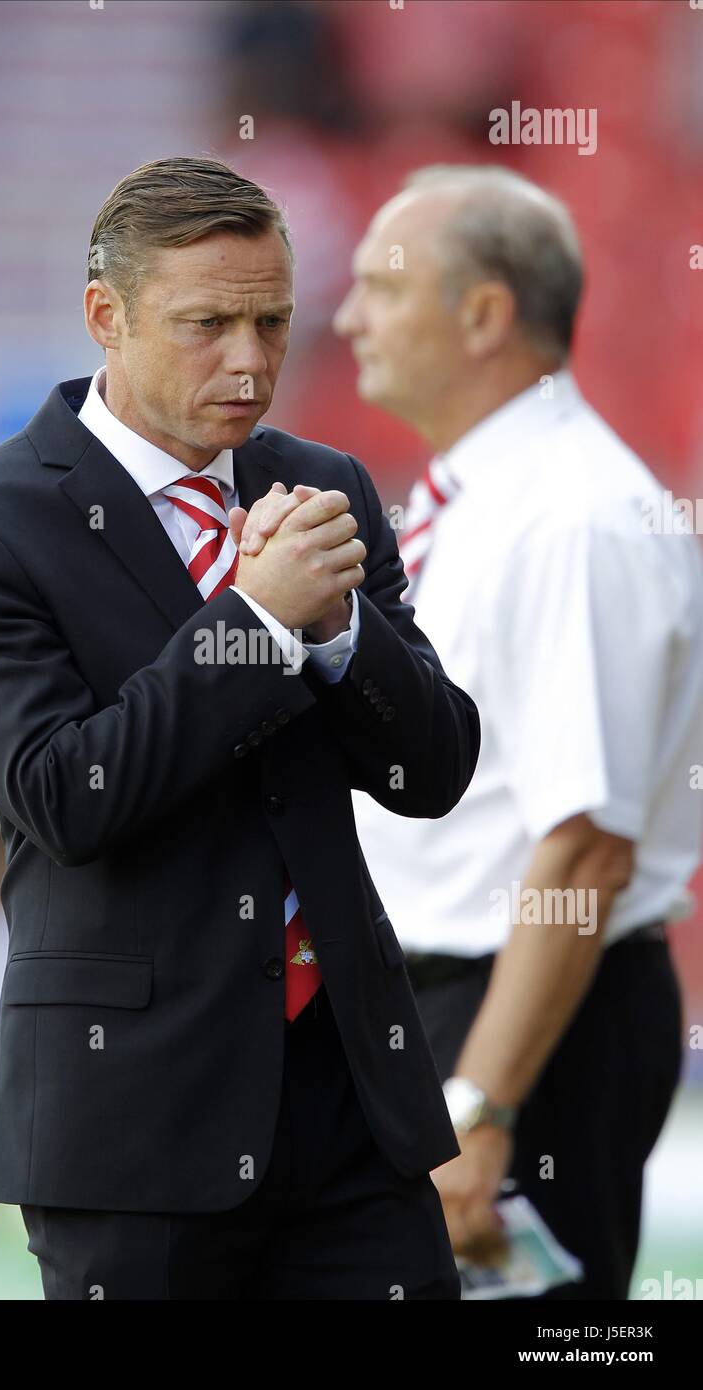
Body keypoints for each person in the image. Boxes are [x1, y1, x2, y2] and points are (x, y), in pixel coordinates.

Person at [0, 157, 480, 1300]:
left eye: (272, 320)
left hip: (355, 1102)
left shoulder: (326, 484)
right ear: (103, 316)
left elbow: (433, 767)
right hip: (135, 1123)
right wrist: (257, 622)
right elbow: (68, 794)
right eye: (206, 324)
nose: (252, 361)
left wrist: (339, 631)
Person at [323, 163, 703, 1299]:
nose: (347, 319)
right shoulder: (497, 500)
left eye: (382, 288)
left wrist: (480, 1106)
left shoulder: (572, 518)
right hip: (456, 1009)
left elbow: (585, 847)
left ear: (484, 312)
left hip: (521, 1024)